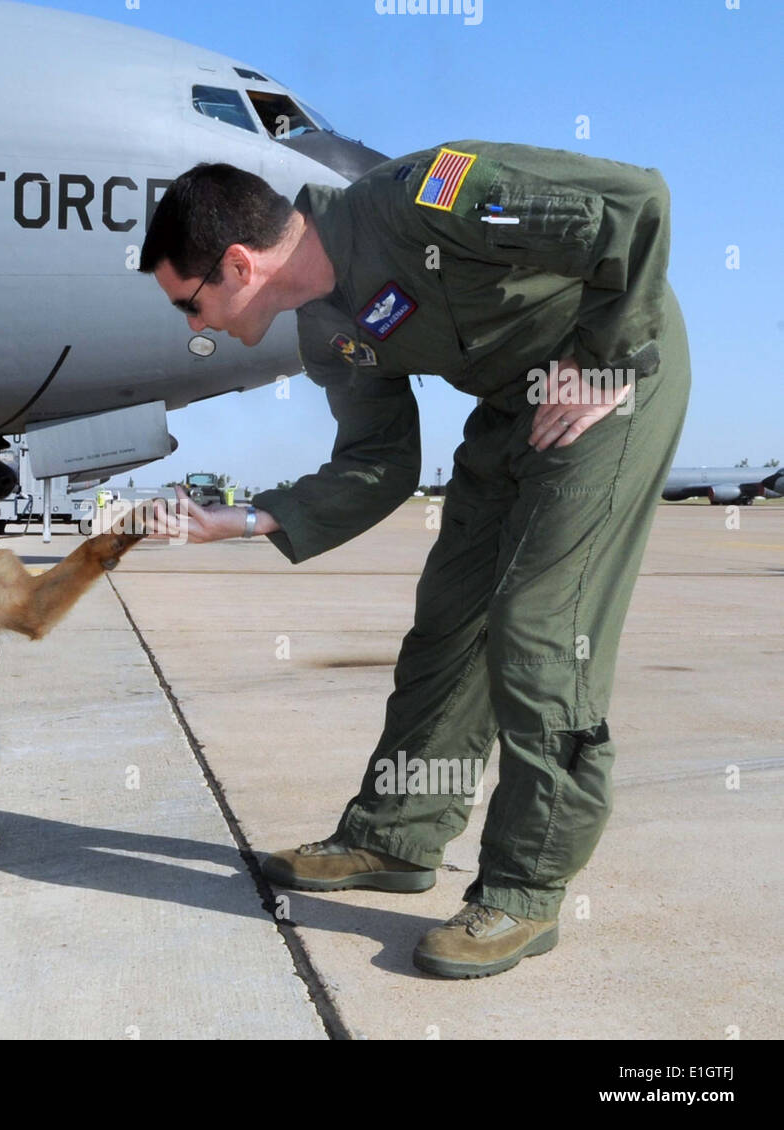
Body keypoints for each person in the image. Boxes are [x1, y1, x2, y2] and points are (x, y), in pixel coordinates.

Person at [138, 142, 690, 978]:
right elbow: (378, 464)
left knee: (539, 627)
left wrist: (610, 356)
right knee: (447, 625)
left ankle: (525, 888)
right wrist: (240, 521)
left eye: (189, 302)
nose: (194, 326)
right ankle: (394, 836)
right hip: (514, 409)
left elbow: (635, 200)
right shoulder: (326, 335)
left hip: (610, 384)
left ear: (239, 266)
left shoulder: (421, 197)